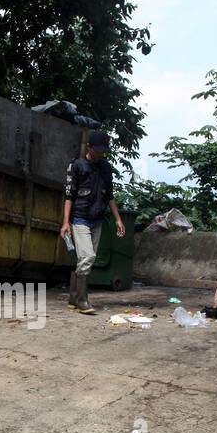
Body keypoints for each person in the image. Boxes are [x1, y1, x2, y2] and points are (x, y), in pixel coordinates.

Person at [60, 130, 125, 315]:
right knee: (88, 257)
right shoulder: (77, 166)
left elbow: (110, 196)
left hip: (97, 219)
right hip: (79, 218)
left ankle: (73, 298)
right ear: (89, 147)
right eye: (98, 150)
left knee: (86, 259)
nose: (101, 153)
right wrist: (66, 223)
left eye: (104, 150)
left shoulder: (105, 168)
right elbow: (69, 196)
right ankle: (82, 300)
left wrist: (118, 219)